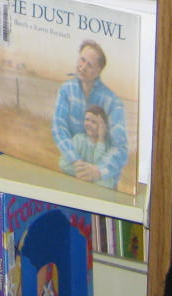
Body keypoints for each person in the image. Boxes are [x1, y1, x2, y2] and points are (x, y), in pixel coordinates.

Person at [51, 40, 129, 188]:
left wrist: (98, 171)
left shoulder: (112, 101)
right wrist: (76, 160)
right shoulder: (66, 90)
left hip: (101, 181)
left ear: (99, 71)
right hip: (73, 172)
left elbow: (120, 148)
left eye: (90, 65)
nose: (83, 67)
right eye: (82, 60)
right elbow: (58, 128)